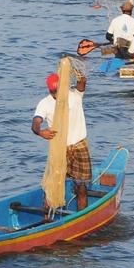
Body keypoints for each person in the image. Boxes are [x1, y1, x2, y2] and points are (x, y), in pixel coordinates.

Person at [32, 72, 90, 212]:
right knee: (52, 187)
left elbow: (82, 82)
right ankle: (47, 220)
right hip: (59, 148)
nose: (55, 94)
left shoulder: (74, 95)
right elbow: (36, 122)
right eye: (52, 91)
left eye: (57, 90)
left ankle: (81, 217)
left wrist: (79, 73)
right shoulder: (45, 103)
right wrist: (40, 132)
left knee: (81, 187)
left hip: (79, 146)